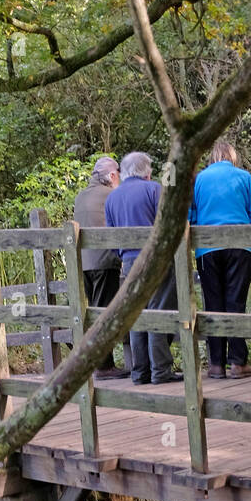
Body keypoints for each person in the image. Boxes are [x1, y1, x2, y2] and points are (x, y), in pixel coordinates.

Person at [190, 139, 251, 379]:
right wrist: (249, 239)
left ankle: (215, 364)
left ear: (213, 158)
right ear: (232, 157)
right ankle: (237, 362)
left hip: (207, 249)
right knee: (236, 303)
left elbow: (189, 214)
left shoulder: (199, 180)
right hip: (238, 246)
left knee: (213, 303)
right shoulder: (244, 178)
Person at [104, 151, 181, 386]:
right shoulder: (153, 190)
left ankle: (140, 372)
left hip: (129, 262)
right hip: (155, 260)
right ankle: (160, 370)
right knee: (158, 312)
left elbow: (111, 234)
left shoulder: (112, 198)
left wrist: (124, 255)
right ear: (146, 172)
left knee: (136, 315)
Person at [72, 156, 129, 379]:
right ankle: (104, 366)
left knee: (94, 312)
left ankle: (95, 362)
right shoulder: (112, 195)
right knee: (104, 313)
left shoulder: (81, 196)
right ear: (112, 175)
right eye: (119, 173)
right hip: (104, 262)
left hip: (84, 263)